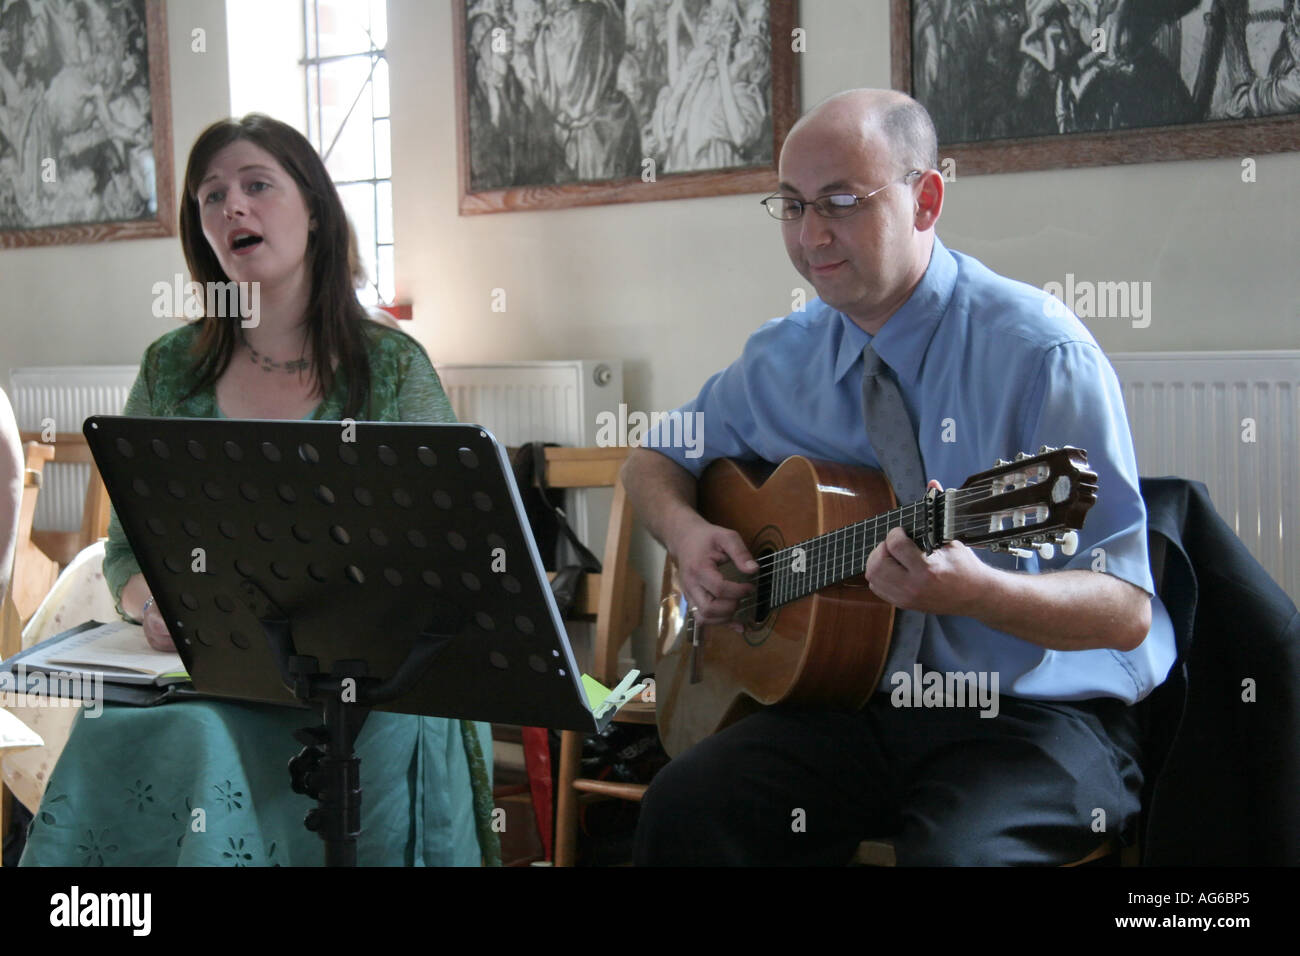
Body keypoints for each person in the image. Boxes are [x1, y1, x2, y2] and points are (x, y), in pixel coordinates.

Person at [625, 89, 1176, 866]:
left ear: (926, 198)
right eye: (791, 205)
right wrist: (688, 536)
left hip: (1031, 717)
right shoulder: (779, 359)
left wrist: (979, 592)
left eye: (841, 202)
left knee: (960, 859)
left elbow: (1124, 612)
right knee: (684, 810)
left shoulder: (1040, 354)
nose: (812, 234)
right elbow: (649, 459)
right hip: (854, 704)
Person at [18, 114, 497, 866]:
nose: (232, 207)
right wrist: (150, 606)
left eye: (256, 186)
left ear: (313, 207)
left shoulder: (393, 367)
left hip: (372, 686)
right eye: (211, 196)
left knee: (204, 740)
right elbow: (123, 551)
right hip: (220, 673)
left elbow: (461, 552)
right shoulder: (170, 371)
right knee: (117, 733)